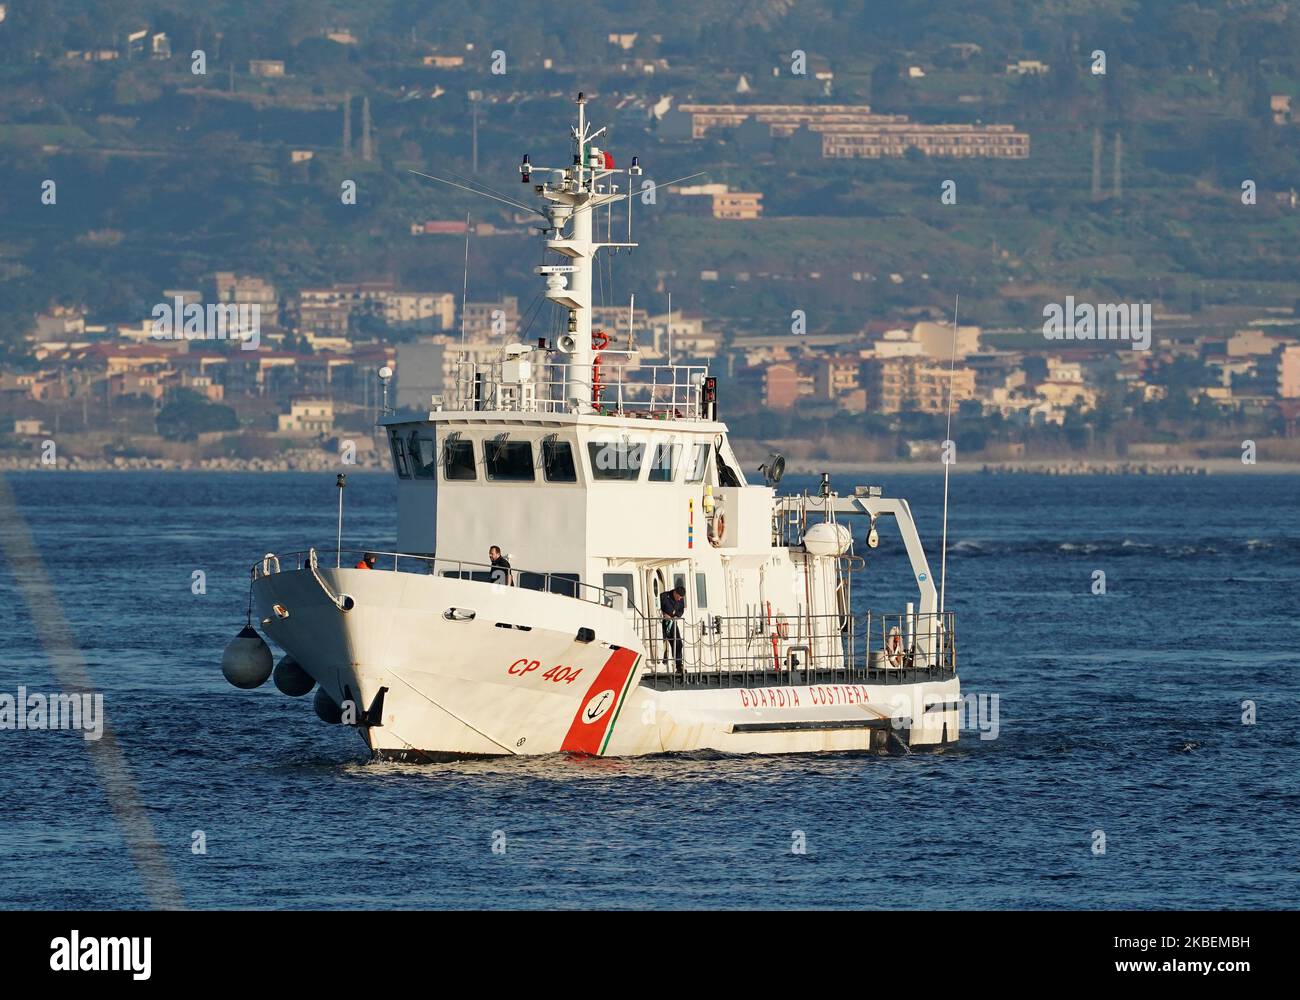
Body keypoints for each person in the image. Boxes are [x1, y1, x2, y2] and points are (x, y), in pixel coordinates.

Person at [660, 583, 686, 676]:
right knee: (660, 642)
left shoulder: (681, 599)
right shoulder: (664, 596)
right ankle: (660, 663)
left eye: (681, 598)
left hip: (672, 623)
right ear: (675, 592)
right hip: (662, 623)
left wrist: (676, 616)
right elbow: (657, 607)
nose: (679, 599)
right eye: (678, 597)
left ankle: (679, 666)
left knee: (678, 644)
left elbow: (681, 610)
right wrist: (663, 613)